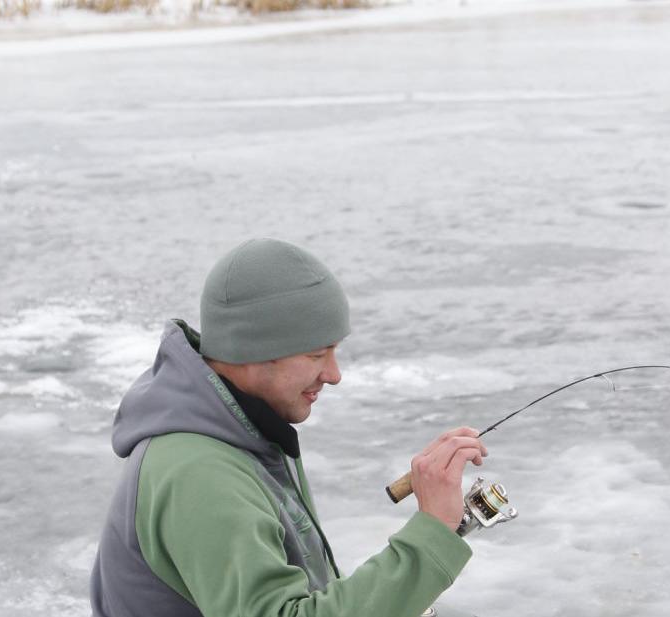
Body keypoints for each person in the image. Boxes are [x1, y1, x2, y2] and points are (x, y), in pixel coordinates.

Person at [90, 238, 488, 617]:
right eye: (317, 354)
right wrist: (431, 531)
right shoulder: (199, 473)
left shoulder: (246, 430)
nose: (334, 374)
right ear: (251, 350)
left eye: (334, 351)